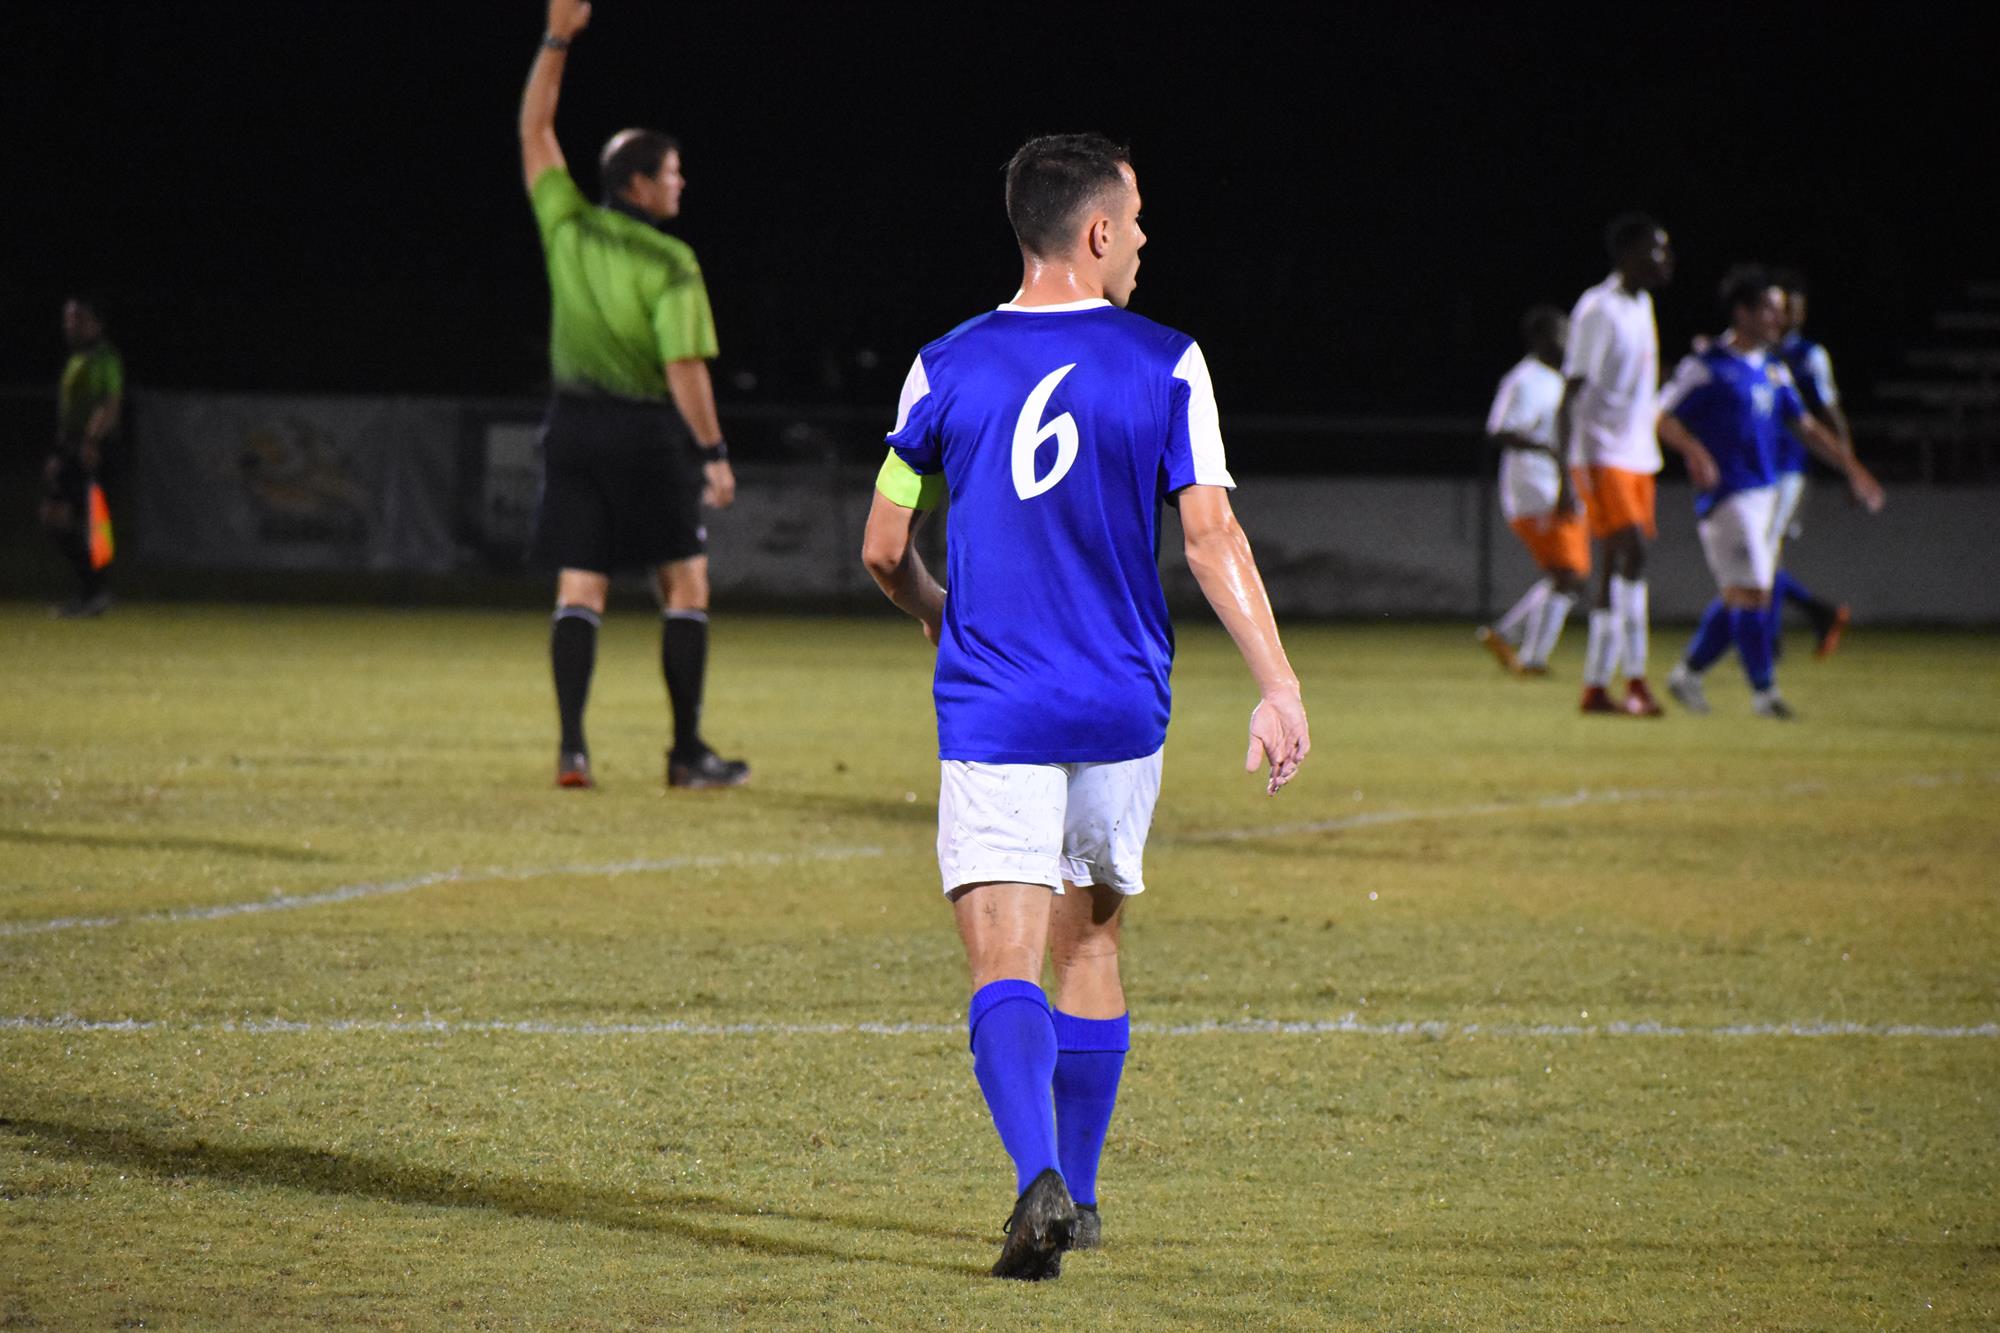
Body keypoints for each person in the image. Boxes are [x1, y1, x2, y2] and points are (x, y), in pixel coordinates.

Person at [861, 134, 1310, 1281]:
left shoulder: (940, 366)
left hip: (997, 703)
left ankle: (1033, 1181)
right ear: (1098, 231)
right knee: (1092, 935)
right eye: (1139, 220)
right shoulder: (1168, 362)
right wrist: (1276, 683)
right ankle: (1087, 1192)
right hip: (1120, 703)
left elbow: (878, 545)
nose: (1146, 241)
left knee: (1001, 962)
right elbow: (1210, 537)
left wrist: (930, 609)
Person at [518, 0, 747, 790]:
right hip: (647, 437)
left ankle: (572, 749)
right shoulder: (670, 262)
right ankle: (686, 754)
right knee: (685, 582)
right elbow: (686, 367)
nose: (681, 183)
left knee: (580, 586)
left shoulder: (567, 227)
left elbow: (535, 132)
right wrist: (713, 452)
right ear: (640, 183)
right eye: (673, 172)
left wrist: (557, 38)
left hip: (572, 430)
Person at [1660, 266, 1883, 720]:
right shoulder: (1707, 366)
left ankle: (1687, 674)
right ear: (1742, 313)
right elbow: (1661, 416)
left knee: (1742, 595)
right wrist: (1694, 450)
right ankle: (1765, 694)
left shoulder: (1774, 371)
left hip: (1765, 492)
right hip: (1728, 496)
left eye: (1781, 311)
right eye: (1770, 310)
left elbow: (1806, 427)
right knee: (1756, 591)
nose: (1779, 320)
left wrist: (1852, 468)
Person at [1557, 213, 1717, 716]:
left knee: (1616, 565)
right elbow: (1571, 392)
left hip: (1637, 452)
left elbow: (1634, 382)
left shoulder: (1642, 304)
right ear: (1627, 255)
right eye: (1656, 250)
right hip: (1602, 452)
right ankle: (1638, 681)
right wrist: (1565, 473)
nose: (1665, 259)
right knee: (1634, 556)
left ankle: (1596, 686)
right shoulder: (1597, 308)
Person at [1476, 306, 1587, 676]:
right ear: (1541, 339)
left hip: (1555, 484)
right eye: (1561, 334)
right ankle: (1531, 657)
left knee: (1566, 577)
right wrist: (1549, 450)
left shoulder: (1557, 379)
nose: (1569, 341)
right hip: (1536, 487)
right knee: (1569, 576)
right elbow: (1500, 430)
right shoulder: (1525, 379)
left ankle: (1505, 634)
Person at [1766, 268, 1853, 657]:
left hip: (1790, 468)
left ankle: (1769, 642)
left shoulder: (1809, 356)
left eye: (1793, 309)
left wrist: (1848, 467)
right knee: (1761, 555)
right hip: (1754, 467)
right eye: (1781, 307)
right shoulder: (1756, 352)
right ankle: (1819, 612)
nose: (1786, 316)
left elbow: (1830, 412)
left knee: (1764, 551)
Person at [42, 294, 122, 618]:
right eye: (68, 318)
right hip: (70, 445)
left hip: (92, 446)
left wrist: (91, 441)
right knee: (55, 517)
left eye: (78, 318)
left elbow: (109, 403)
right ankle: (93, 591)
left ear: (96, 323)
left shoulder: (105, 357)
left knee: (90, 520)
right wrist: (59, 452)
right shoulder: (77, 358)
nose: (70, 324)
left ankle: (95, 592)